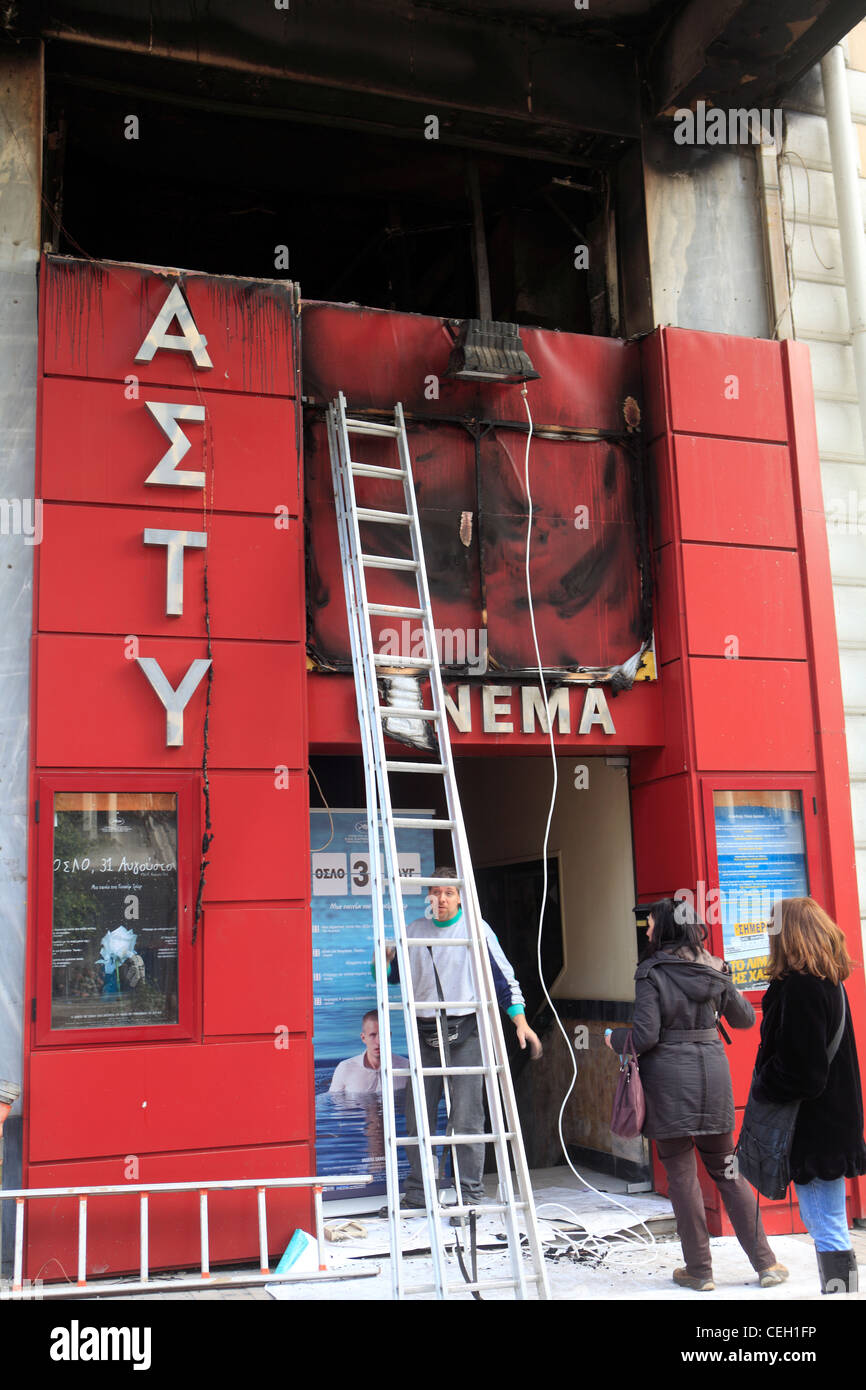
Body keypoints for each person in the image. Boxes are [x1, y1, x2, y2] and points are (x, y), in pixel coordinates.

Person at [607, 898, 787, 1291]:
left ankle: (700, 1272)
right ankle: (767, 1263)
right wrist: (724, 981)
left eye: (651, 924)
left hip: (669, 1081)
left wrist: (611, 1038)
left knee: (682, 1175)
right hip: (713, 1075)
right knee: (727, 1169)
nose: (648, 931)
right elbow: (745, 1019)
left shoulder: (650, 972)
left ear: (667, 928)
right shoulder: (716, 966)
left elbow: (645, 1036)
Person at [383, 867, 542, 1222]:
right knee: (417, 1118)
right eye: (435, 892)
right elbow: (394, 979)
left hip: (465, 1029)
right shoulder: (413, 932)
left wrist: (521, 1022)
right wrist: (388, 960)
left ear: (460, 897)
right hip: (424, 1032)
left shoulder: (476, 930)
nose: (441, 899)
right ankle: (419, 1193)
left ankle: (469, 1197)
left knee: (467, 1119)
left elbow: (503, 980)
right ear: (427, 896)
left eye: (448, 893)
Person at [748, 896, 866, 1294]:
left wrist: (765, 1081)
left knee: (828, 1229)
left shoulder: (800, 987)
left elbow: (804, 1074)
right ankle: (844, 1291)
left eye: (771, 928)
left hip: (813, 1130)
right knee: (831, 1224)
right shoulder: (827, 979)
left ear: (787, 935)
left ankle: (842, 1293)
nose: (767, 936)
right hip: (832, 1123)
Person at [328, 1010, 409, 1094]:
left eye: (383, 1035)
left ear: (389, 1036)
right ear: (363, 1038)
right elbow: (333, 1103)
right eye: (372, 1035)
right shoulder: (345, 1068)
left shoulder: (405, 1066)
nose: (378, 1042)